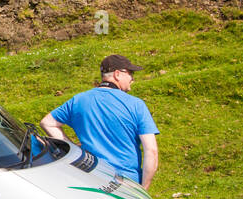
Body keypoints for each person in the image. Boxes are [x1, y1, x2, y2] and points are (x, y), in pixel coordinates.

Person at [40, 55, 159, 188]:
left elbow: (47, 123)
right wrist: (144, 189)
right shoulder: (136, 105)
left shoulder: (79, 100)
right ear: (118, 74)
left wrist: (74, 149)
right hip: (127, 185)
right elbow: (151, 151)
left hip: (92, 178)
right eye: (130, 73)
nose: (132, 78)